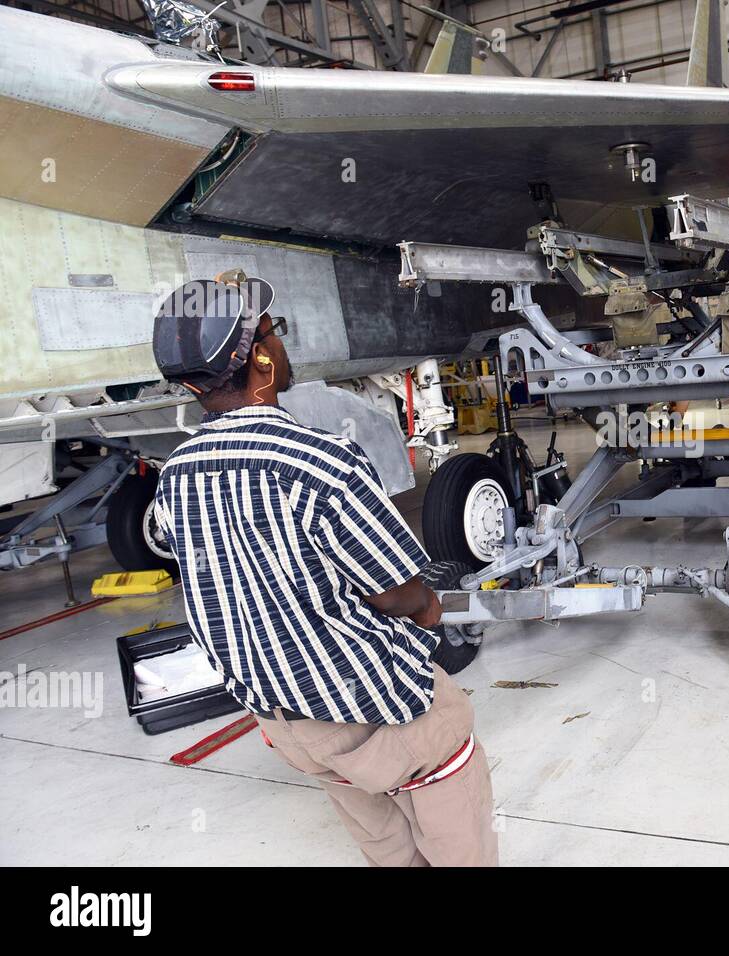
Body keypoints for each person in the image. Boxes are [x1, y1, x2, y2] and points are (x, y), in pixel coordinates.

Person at [150, 272, 497, 866]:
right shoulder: (321, 463)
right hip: (372, 704)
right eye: (273, 333)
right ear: (260, 357)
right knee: (455, 819)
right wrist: (430, 610)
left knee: (384, 842)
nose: (280, 345)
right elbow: (401, 595)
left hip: (284, 720)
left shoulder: (175, 475)